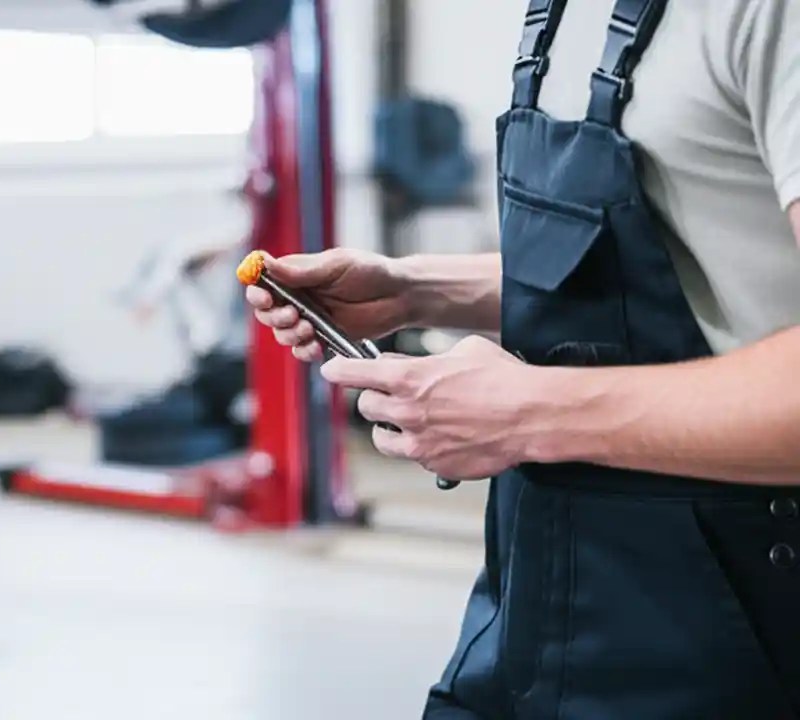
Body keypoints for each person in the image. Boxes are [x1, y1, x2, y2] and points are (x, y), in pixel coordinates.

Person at [246, 1, 800, 717]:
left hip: (742, 628)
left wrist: (528, 413)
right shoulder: (558, 14)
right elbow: (654, 277)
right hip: (542, 606)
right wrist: (414, 289)